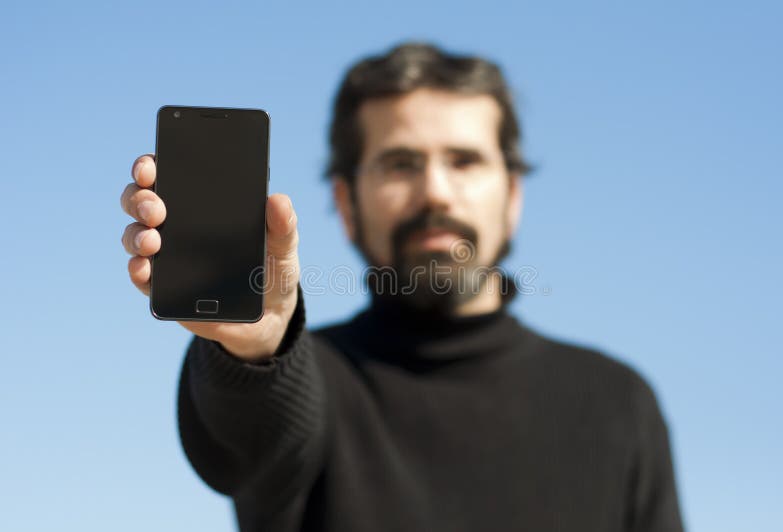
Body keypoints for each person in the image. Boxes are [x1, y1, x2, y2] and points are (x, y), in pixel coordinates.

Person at [120, 42, 684, 532]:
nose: (436, 191)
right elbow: (251, 446)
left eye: (464, 162)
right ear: (345, 205)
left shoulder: (617, 402)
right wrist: (254, 350)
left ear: (512, 197)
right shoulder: (313, 379)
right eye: (400, 164)